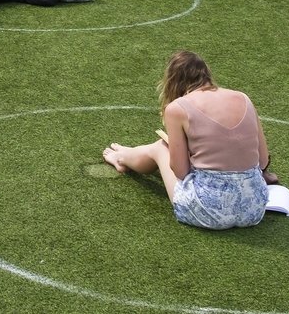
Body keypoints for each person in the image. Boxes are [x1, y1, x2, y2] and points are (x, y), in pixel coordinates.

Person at [100, 51, 273, 230]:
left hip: (209, 211)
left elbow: (181, 171)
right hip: (254, 209)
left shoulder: (177, 108)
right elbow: (263, 161)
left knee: (159, 147)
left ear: (174, 80)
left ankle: (121, 158)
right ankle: (125, 155)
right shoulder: (243, 98)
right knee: (162, 148)